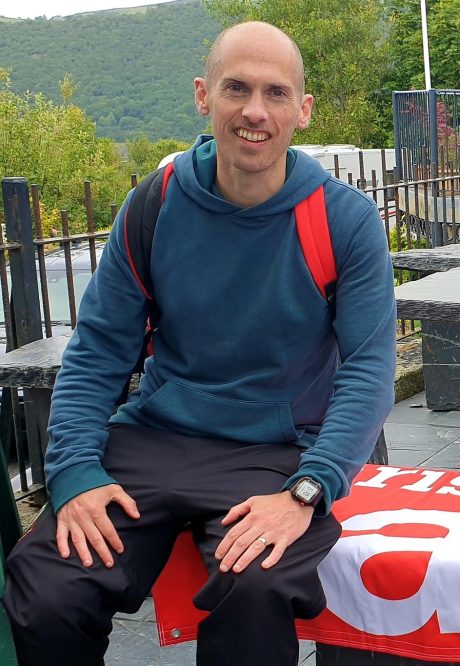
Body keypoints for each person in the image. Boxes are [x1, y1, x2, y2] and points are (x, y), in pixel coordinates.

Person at [2, 21, 397, 666]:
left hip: (275, 449)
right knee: (47, 585)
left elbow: (369, 370)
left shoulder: (342, 221)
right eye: (236, 88)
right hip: (156, 439)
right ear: (202, 96)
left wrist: (309, 489)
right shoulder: (155, 204)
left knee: (256, 588)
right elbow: (100, 347)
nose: (254, 112)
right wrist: (73, 469)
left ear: (303, 110)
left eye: (275, 93)